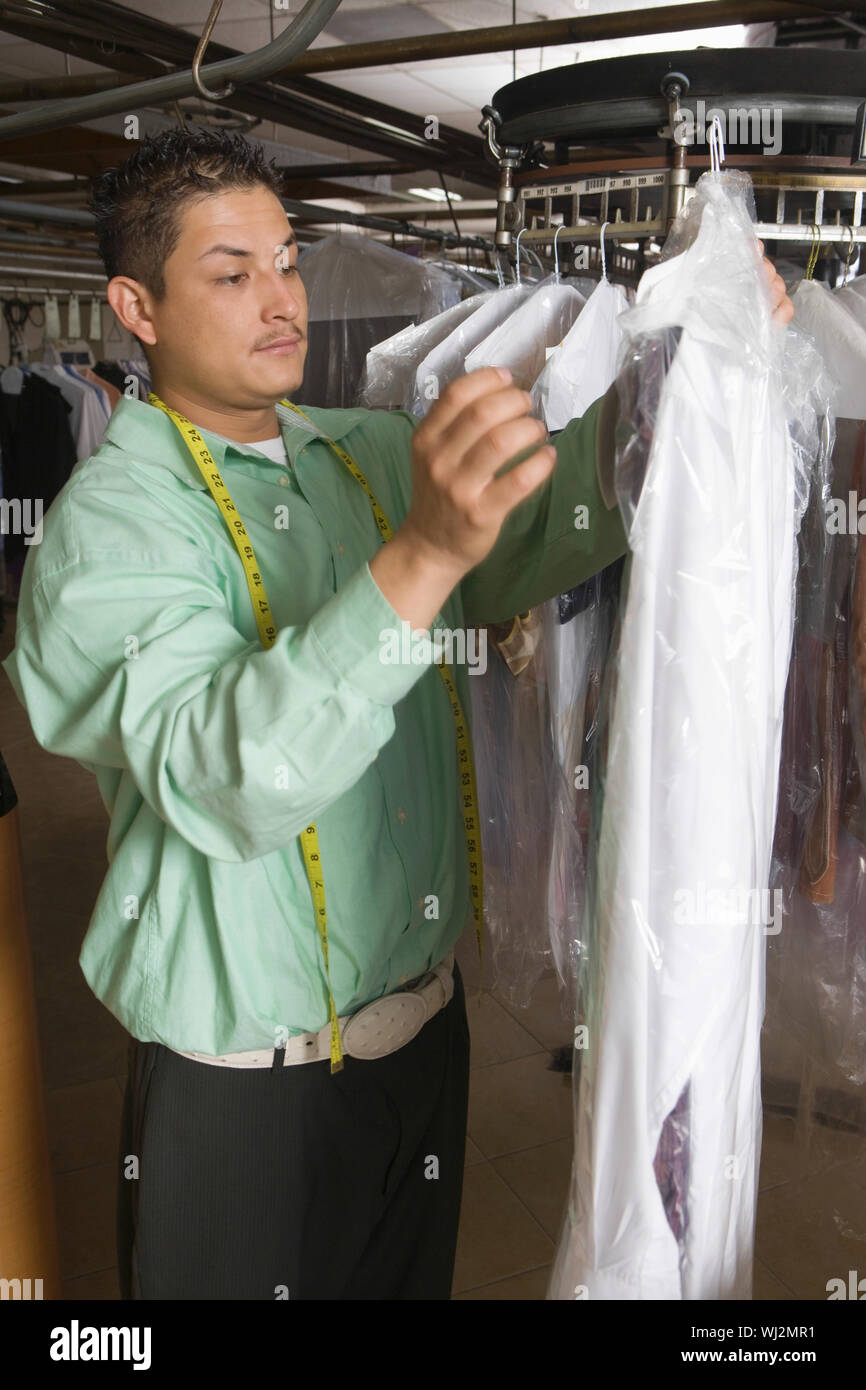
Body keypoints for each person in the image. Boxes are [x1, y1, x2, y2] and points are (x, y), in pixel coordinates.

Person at [0, 127, 794, 1301]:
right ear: (136, 306)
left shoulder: (365, 456)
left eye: (284, 260)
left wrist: (689, 378)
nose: (280, 301)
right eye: (232, 274)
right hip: (243, 1088)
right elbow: (228, 774)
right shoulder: (109, 527)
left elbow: (559, 519)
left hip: (422, 1039)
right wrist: (419, 555)